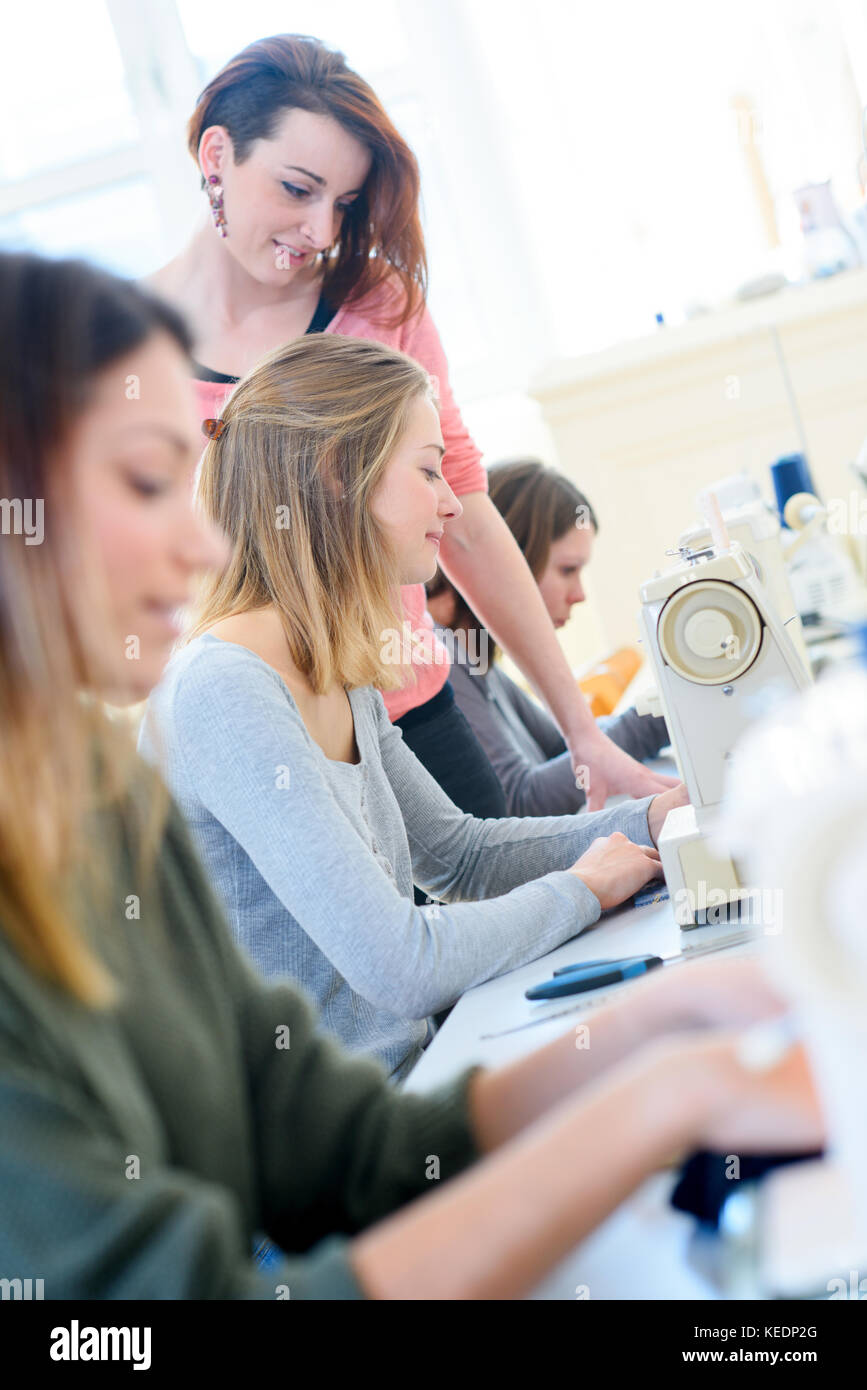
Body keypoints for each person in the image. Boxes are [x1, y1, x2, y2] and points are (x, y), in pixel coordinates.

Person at [0, 251, 823, 1301]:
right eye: (145, 480)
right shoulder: (214, 696)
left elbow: (346, 1146)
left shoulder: (111, 809)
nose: (201, 536)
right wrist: (653, 1094)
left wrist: (658, 1033)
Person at [144, 32, 678, 817]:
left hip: (415, 709)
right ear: (217, 155)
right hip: (281, 746)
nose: (322, 231)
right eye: (297, 189)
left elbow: (463, 510)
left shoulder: (376, 306)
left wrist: (582, 734)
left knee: (528, 911)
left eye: (345, 204)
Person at [139, 334, 684, 1080]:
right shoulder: (224, 689)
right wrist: (583, 889)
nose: (451, 500)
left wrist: (648, 822)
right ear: (339, 474)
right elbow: (400, 964)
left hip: (409, 1077)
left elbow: (458, 855)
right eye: (427, 470)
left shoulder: (336, 667)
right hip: (327, 1152)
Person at [426, 459, 671, 816]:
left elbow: (561, 746)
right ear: (514, 559)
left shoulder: (474, 651)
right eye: (567, 570)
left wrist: (657, 711)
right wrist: (661, 714)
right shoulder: (438, 655)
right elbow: (520, 800)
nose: (580, 594)